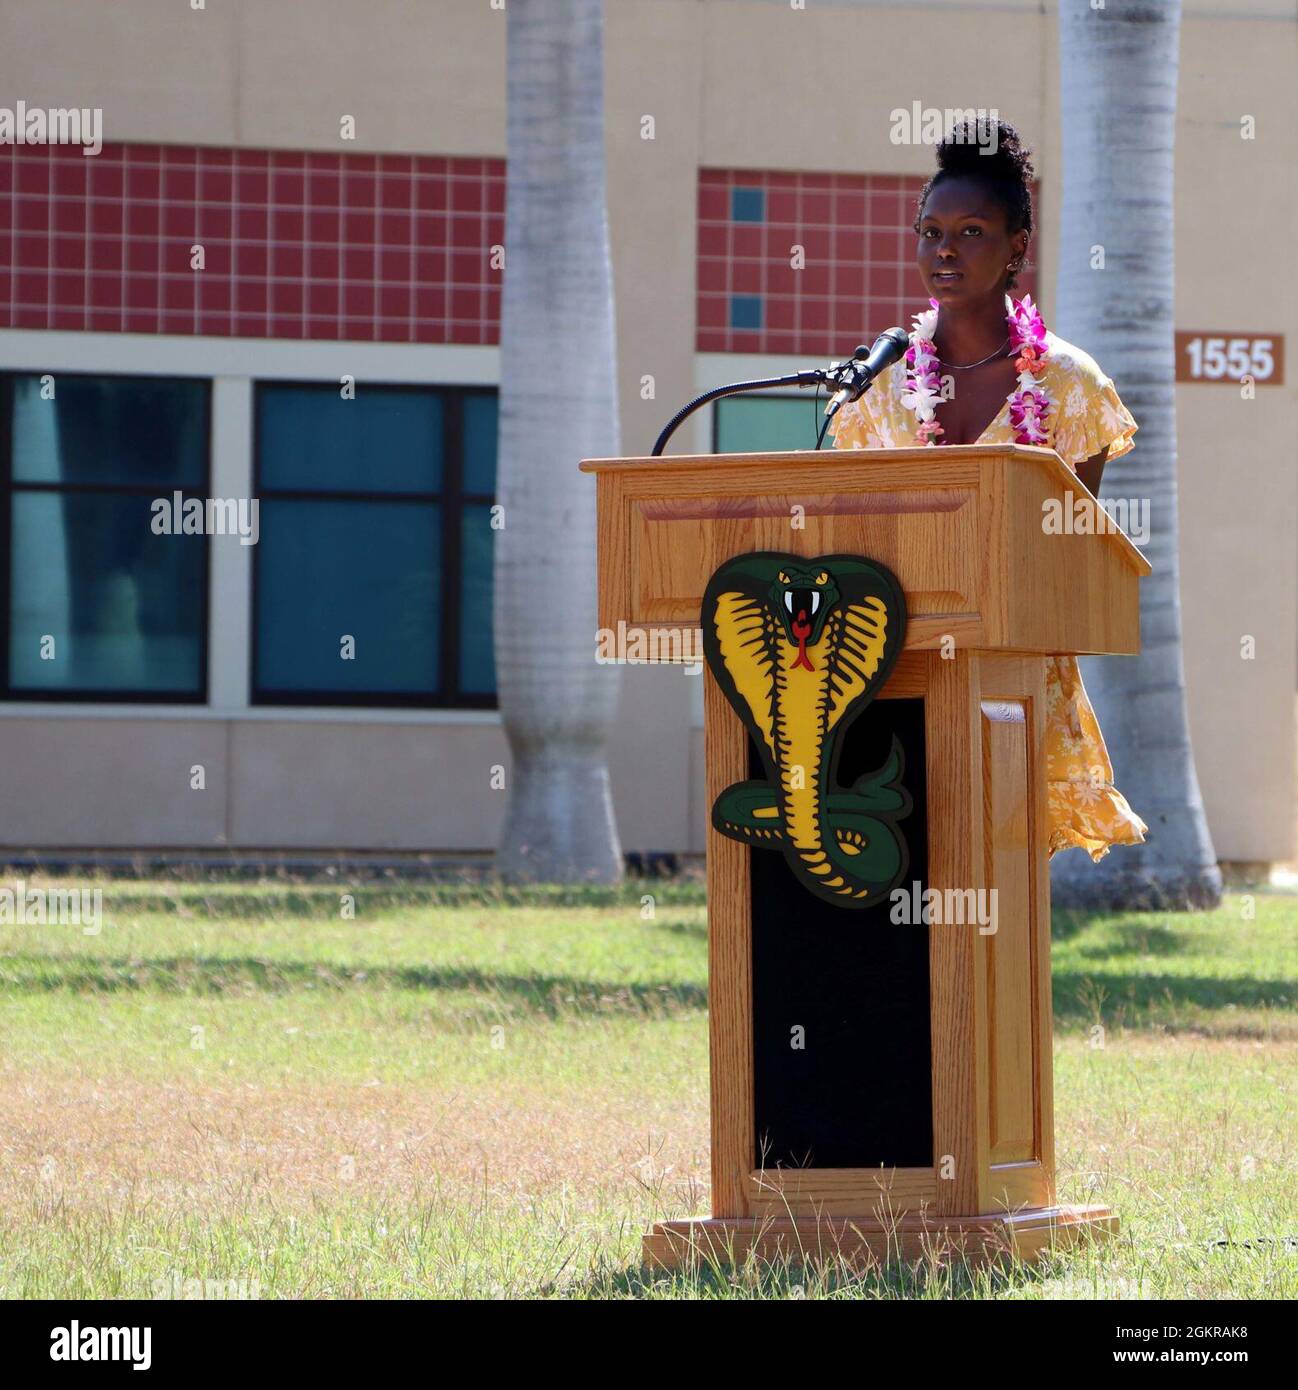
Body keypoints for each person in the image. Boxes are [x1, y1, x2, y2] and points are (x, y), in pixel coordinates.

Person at [828, 117, 1147, 861]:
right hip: (886, 676)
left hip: (1014, 685)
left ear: (1017, 249)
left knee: (990, 897)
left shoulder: (1070, 387)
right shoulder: (876, 386)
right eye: (930, 231)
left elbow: (1076, 559)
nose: (944, 250)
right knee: (893, 904)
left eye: (971, 232)